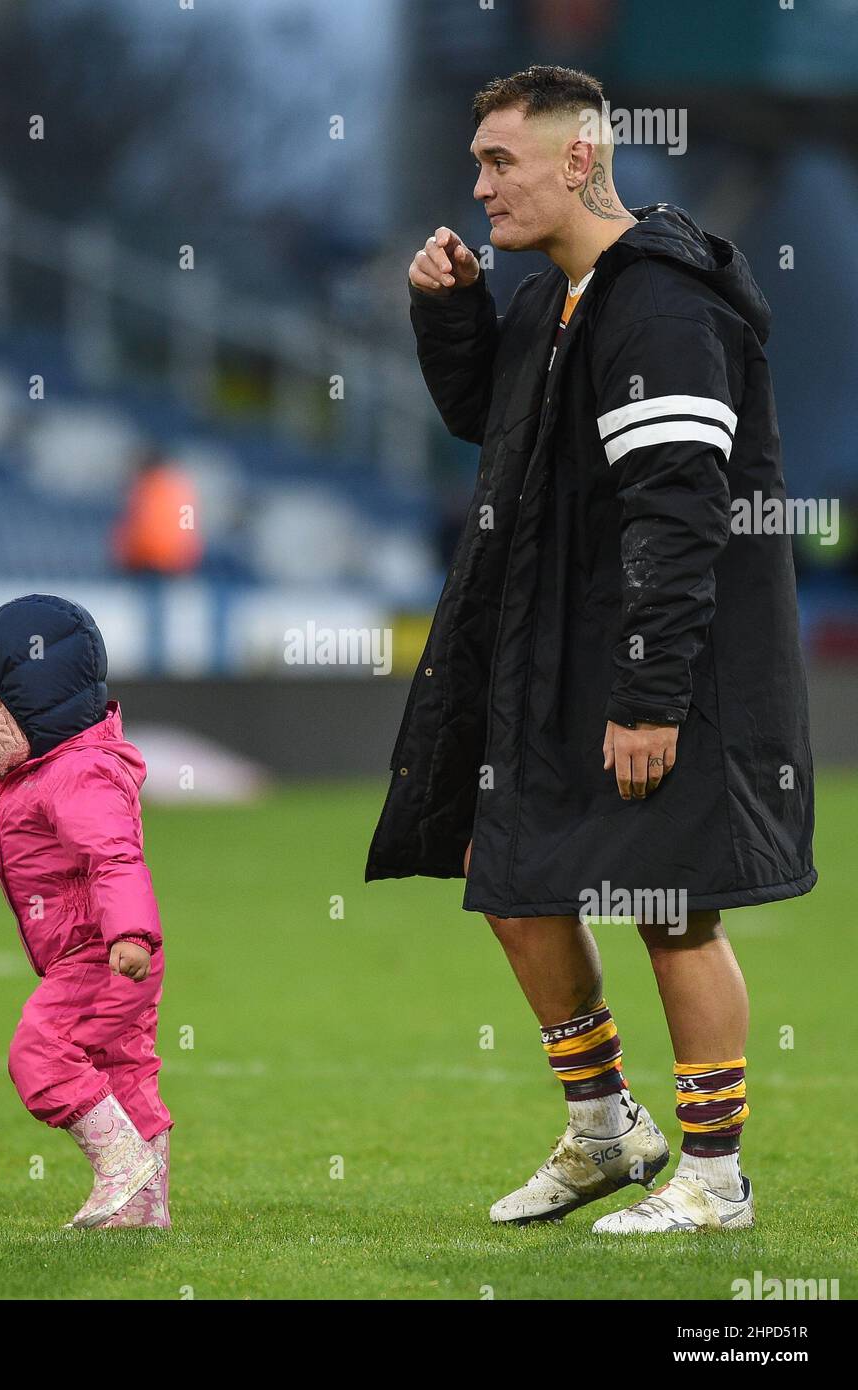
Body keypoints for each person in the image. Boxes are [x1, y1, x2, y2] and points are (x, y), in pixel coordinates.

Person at [366, 66, 815, 1233]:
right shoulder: (554, 301)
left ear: (578, 160)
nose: (477, 186)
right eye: (474, 163)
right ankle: (606, 1128)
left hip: (663, 669)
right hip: (554, 655)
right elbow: (494, 425)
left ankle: (713, 1178)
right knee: (505, 871)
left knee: (672, 907)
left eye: (498, 162)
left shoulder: (657, 304)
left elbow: (677, 509)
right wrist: (452, 315)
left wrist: (650, 693)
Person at [0, 594, 172, 1229]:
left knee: (41, 1053)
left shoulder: (77, 774)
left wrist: (131, 932)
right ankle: (143, 1207)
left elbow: (116, 857)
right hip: (97, 951)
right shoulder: (27, 768)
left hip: (102, 953)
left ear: (31, 700)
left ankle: (121, 1163)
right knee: (122, 1069)